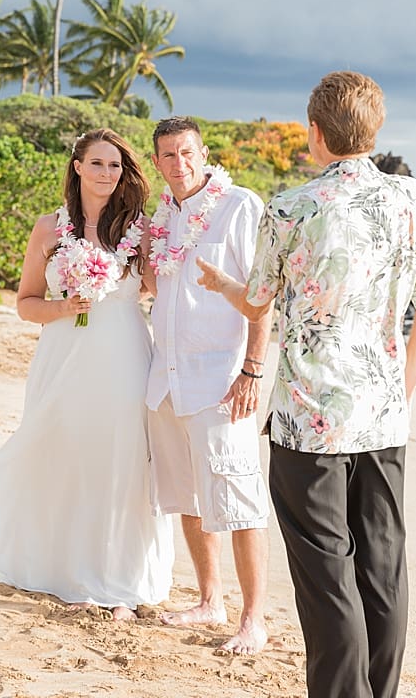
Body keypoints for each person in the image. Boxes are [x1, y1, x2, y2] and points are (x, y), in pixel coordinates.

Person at [196, 71, 416, 698]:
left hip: (309, 421)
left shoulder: (291, 206)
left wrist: (222, 285)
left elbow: (258, 304)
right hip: (384, 416)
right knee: (383, 567)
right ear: (375, 127)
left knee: (327, 577)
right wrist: (401, 394)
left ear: (315, 131)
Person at [0, 129, 174, 620]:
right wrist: (65, 306)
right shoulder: (49, 228)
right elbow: (25, 304)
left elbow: (158, 288)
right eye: (99, 163)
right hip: (62, 356)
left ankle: (116, 580)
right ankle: (67, 573)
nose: (108, 174)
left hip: (124, 354)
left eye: (116, 166)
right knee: (62, 453)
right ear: (78, 166)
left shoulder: (142, 229)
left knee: (119, 461)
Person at [144, 116, 271, 654]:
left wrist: (253, 369)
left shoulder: (239, 204)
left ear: (204, 152)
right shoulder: (161, 216)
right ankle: (209, 599)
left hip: (222, 380)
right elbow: (159, 286)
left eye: (188, 153)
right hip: (167, 380)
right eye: (169, 156)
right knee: (191, 498)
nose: (181, 164)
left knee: (239, 499)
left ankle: (254, 619)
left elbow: (262, 293)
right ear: (157, 163)